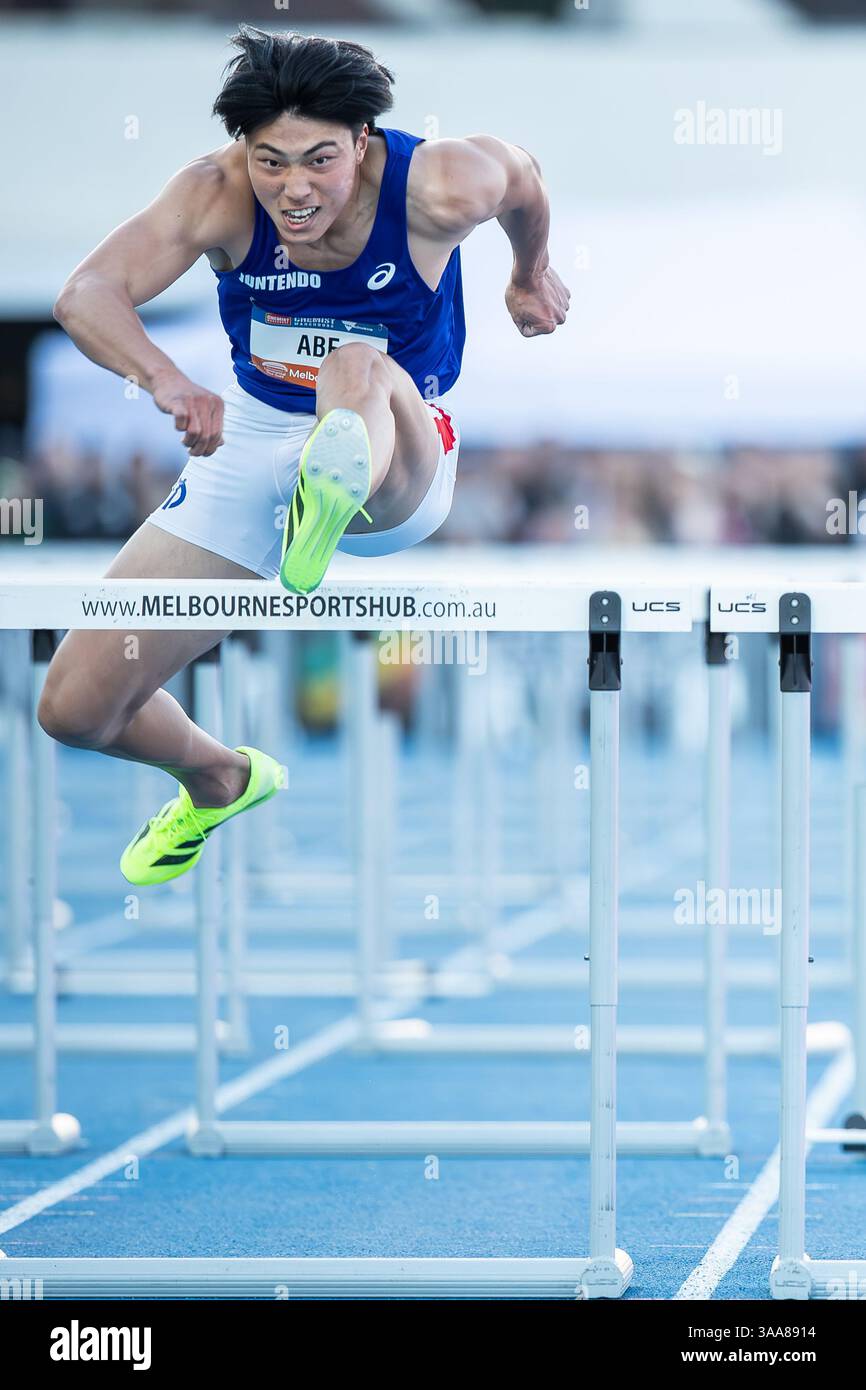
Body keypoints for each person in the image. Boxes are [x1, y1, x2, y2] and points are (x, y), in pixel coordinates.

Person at [40, 26, 570, 886]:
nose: (294, 191)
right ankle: (219, 778)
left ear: (363, 142)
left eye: (319, 161)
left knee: (352, 366)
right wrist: (168, 380)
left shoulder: (441, 181)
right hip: (253, 438)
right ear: (243, 151)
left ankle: (329, 493)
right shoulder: (214, 192)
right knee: (74, 709)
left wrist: (528, 272)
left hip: (397, 451)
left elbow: (526, 179)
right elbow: (86, 293)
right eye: (271, 163)